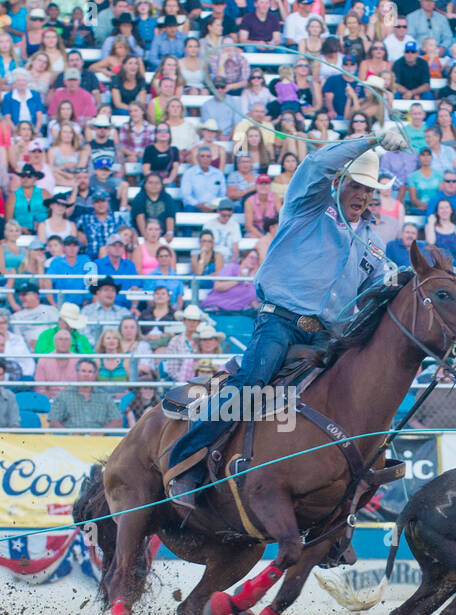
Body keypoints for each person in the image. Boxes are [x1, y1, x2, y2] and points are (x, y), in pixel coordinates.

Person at [165, 125, 410, 504]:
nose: (361, 195)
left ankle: (347, 490)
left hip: (328, 335)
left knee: (358, 395)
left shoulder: (373, 245)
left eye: (368, 190)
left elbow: (380, 293)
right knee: (251, 381)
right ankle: (187, 462)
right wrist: (372, 140)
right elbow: (315, 164)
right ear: (339, 182)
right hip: (280, 320)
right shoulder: (308, 207)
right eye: (356, 185)